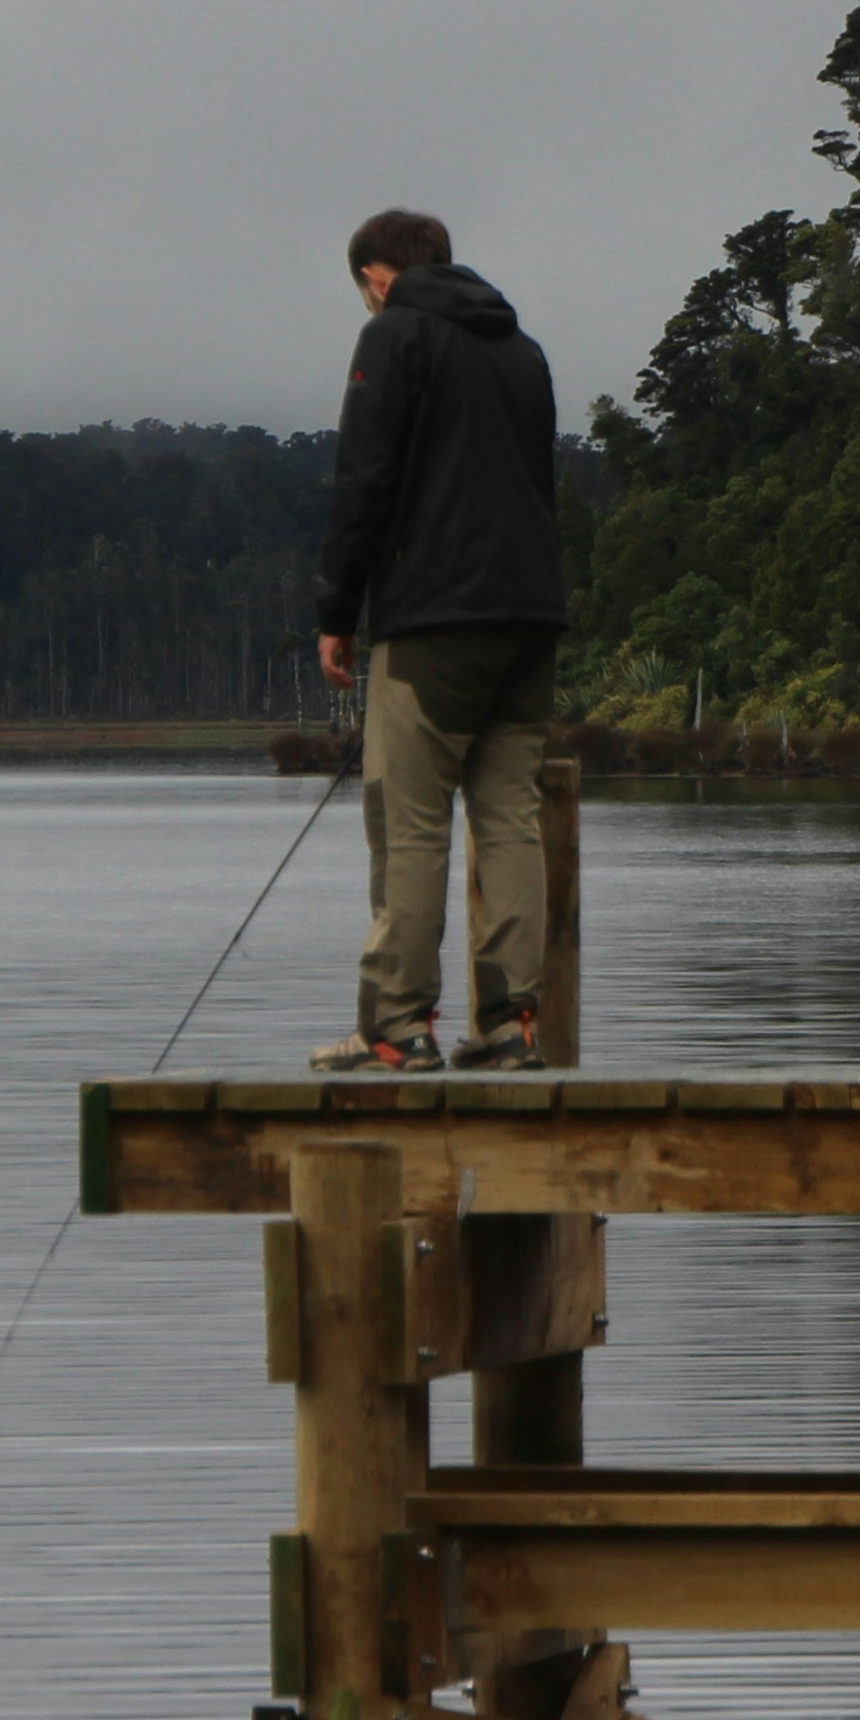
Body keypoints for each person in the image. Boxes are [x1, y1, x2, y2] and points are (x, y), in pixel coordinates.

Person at [309, 208, 565, 1074]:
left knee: (409, 827)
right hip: (530, 619)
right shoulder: (522, 349)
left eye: (362, 287)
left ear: (377, 274)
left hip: (433, 621)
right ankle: (508, 1024)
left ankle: (396, 1022)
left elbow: (363, 480)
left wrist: (335, 611)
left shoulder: (393, 338)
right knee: (509, 823)